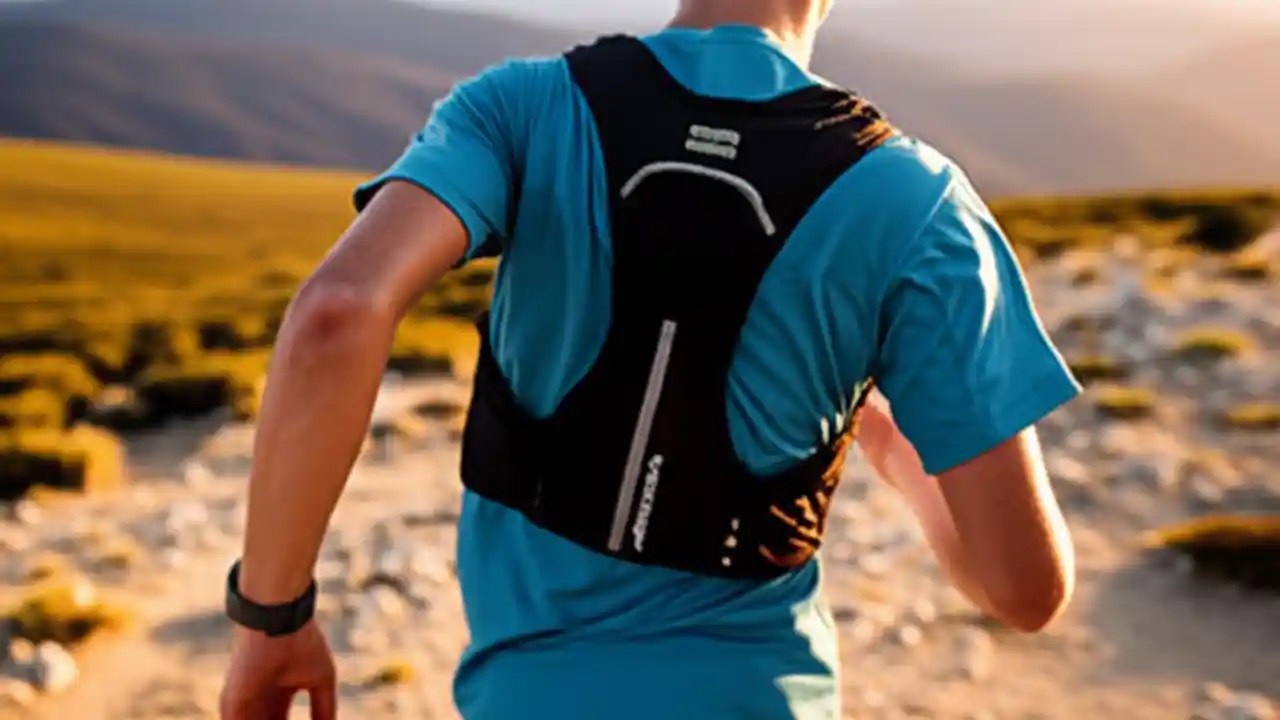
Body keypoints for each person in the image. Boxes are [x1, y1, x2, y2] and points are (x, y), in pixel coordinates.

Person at [217, 0, 1080, 717]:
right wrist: (892, 450)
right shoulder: (920, 203)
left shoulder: (520, 109)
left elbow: (338, 312)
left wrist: (272, 614)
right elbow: (1026, 590)